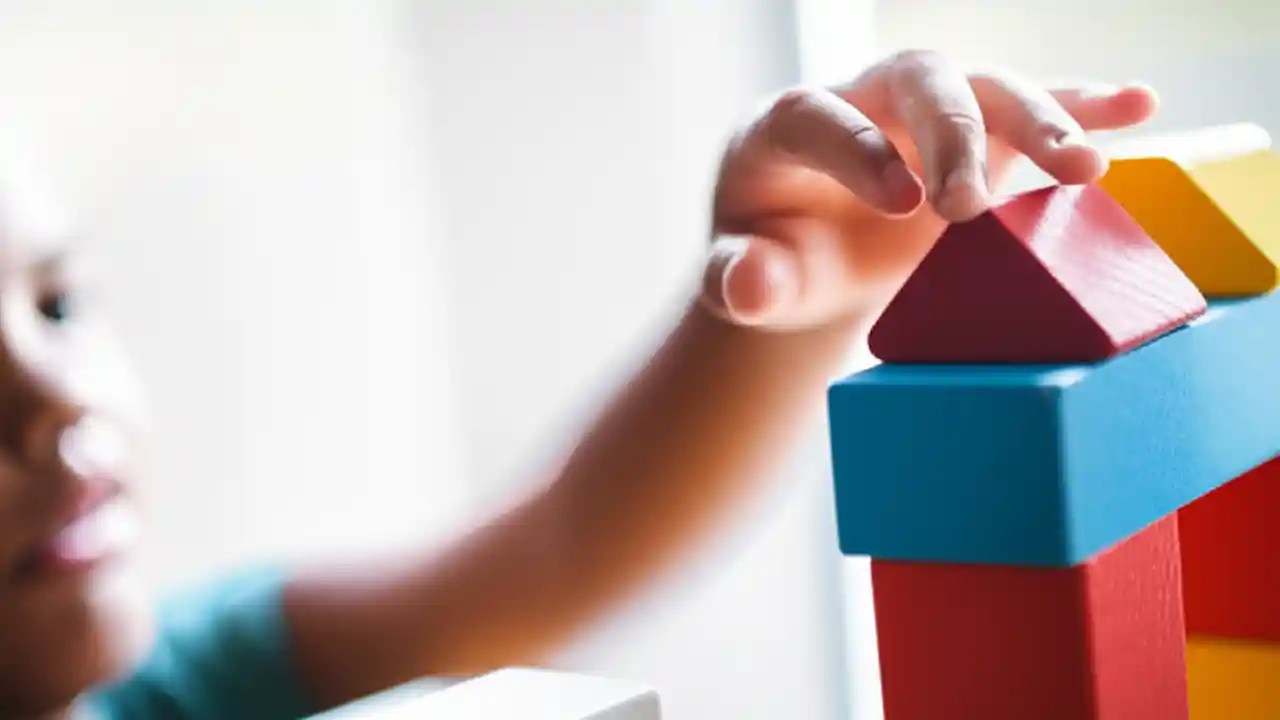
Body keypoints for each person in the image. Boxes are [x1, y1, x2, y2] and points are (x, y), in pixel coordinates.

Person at [0, 49, 1158, 719]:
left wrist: (781, 299)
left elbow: (559, 550)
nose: (56, 407)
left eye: (56, 303)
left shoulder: (178, 684)